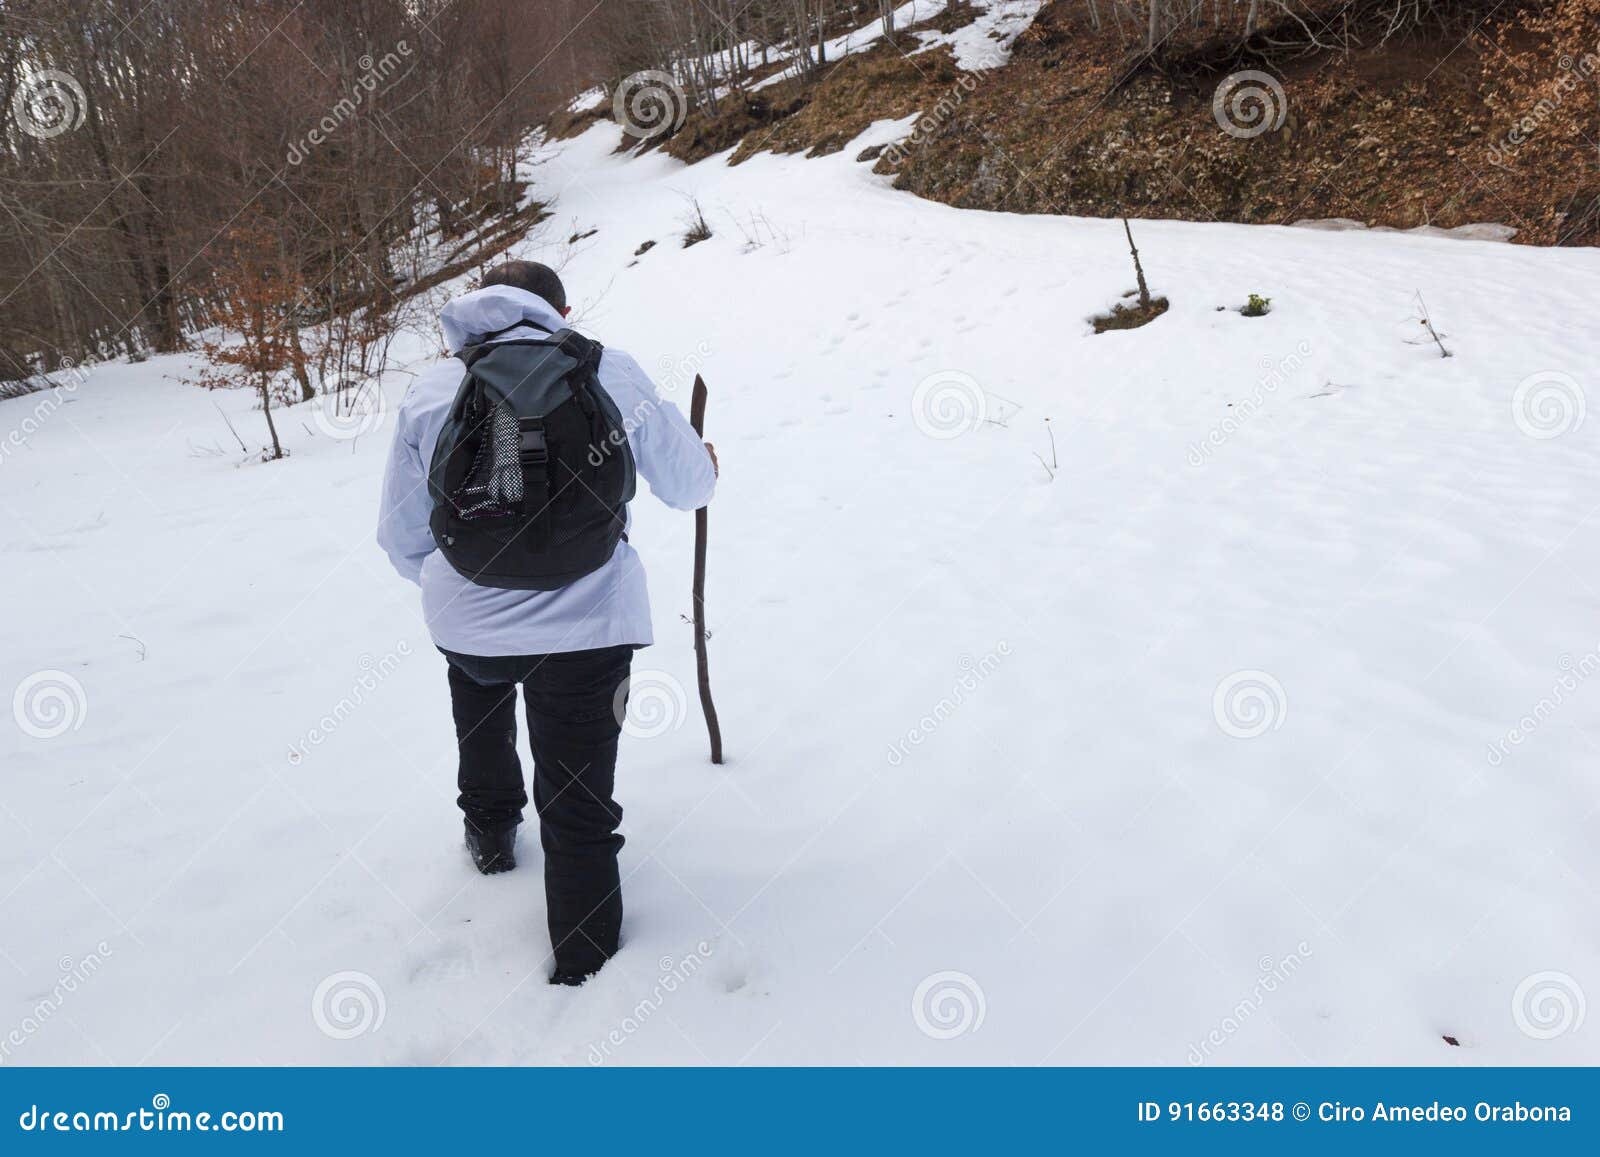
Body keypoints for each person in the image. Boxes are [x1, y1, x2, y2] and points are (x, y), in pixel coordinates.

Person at [377, 261, 717, 985]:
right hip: (590, 627)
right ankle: (585, 967)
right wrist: (706, 462)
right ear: (560, 308)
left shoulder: (434, 388)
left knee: (481, 700)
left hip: (465, 621)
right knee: (579, 797)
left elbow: (401, 534)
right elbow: (689, 485)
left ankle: (492, 835)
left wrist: (468, 587)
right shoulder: (608, 371)